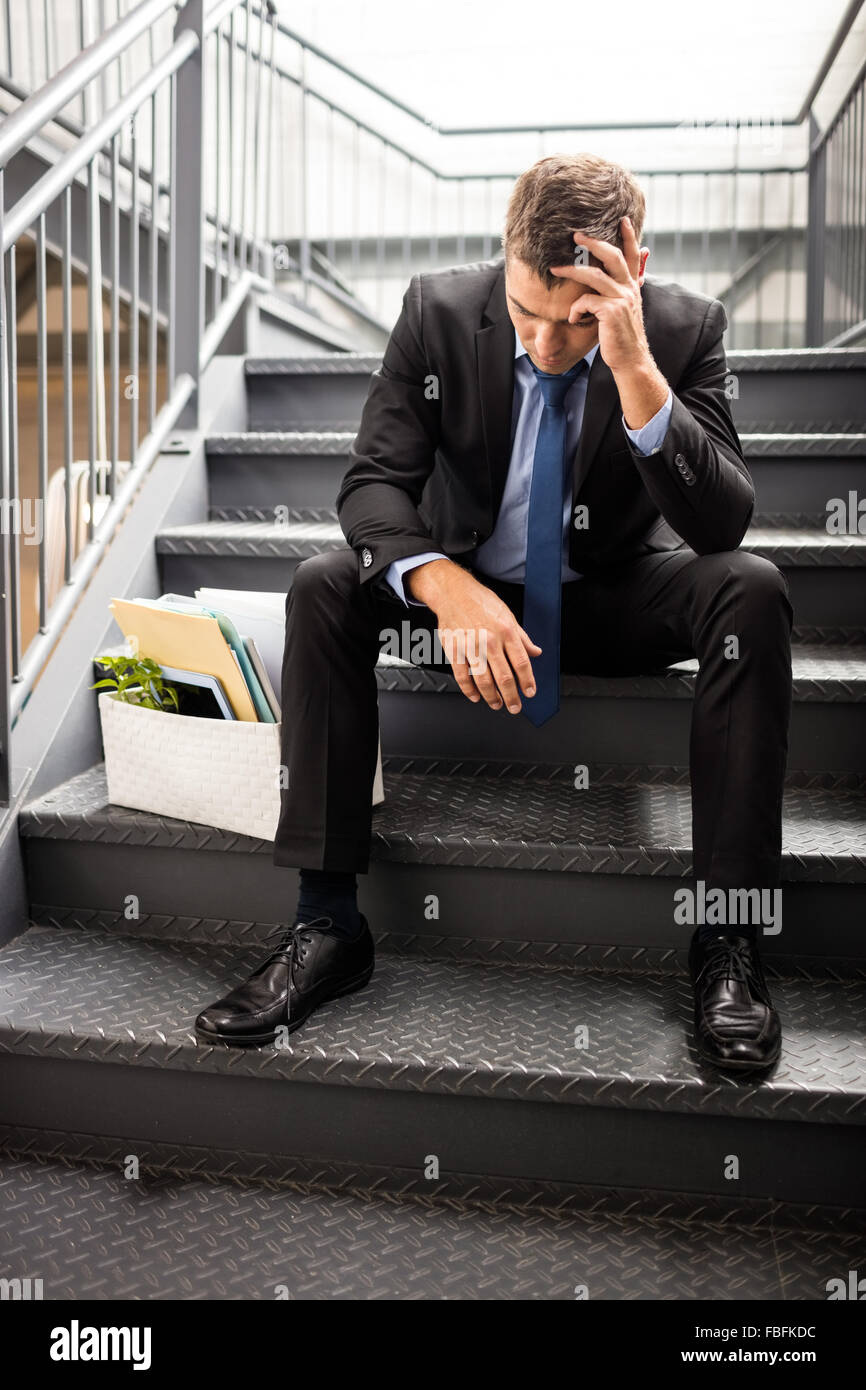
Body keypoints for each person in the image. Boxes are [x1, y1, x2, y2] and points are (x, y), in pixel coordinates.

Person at [195, 153, 792, 1072]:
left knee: (750, 587)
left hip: (608, 599)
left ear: (631, 271)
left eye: (577, 320)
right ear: (504, 258)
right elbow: (372, 486)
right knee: (322, 584)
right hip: (465, 607)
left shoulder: (683, 331)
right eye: (526, 313)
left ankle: (727, 940)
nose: (548, 345)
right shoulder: (436, 312)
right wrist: (445, 585)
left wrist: (635, 368)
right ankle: (328, 923)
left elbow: (721, 524)